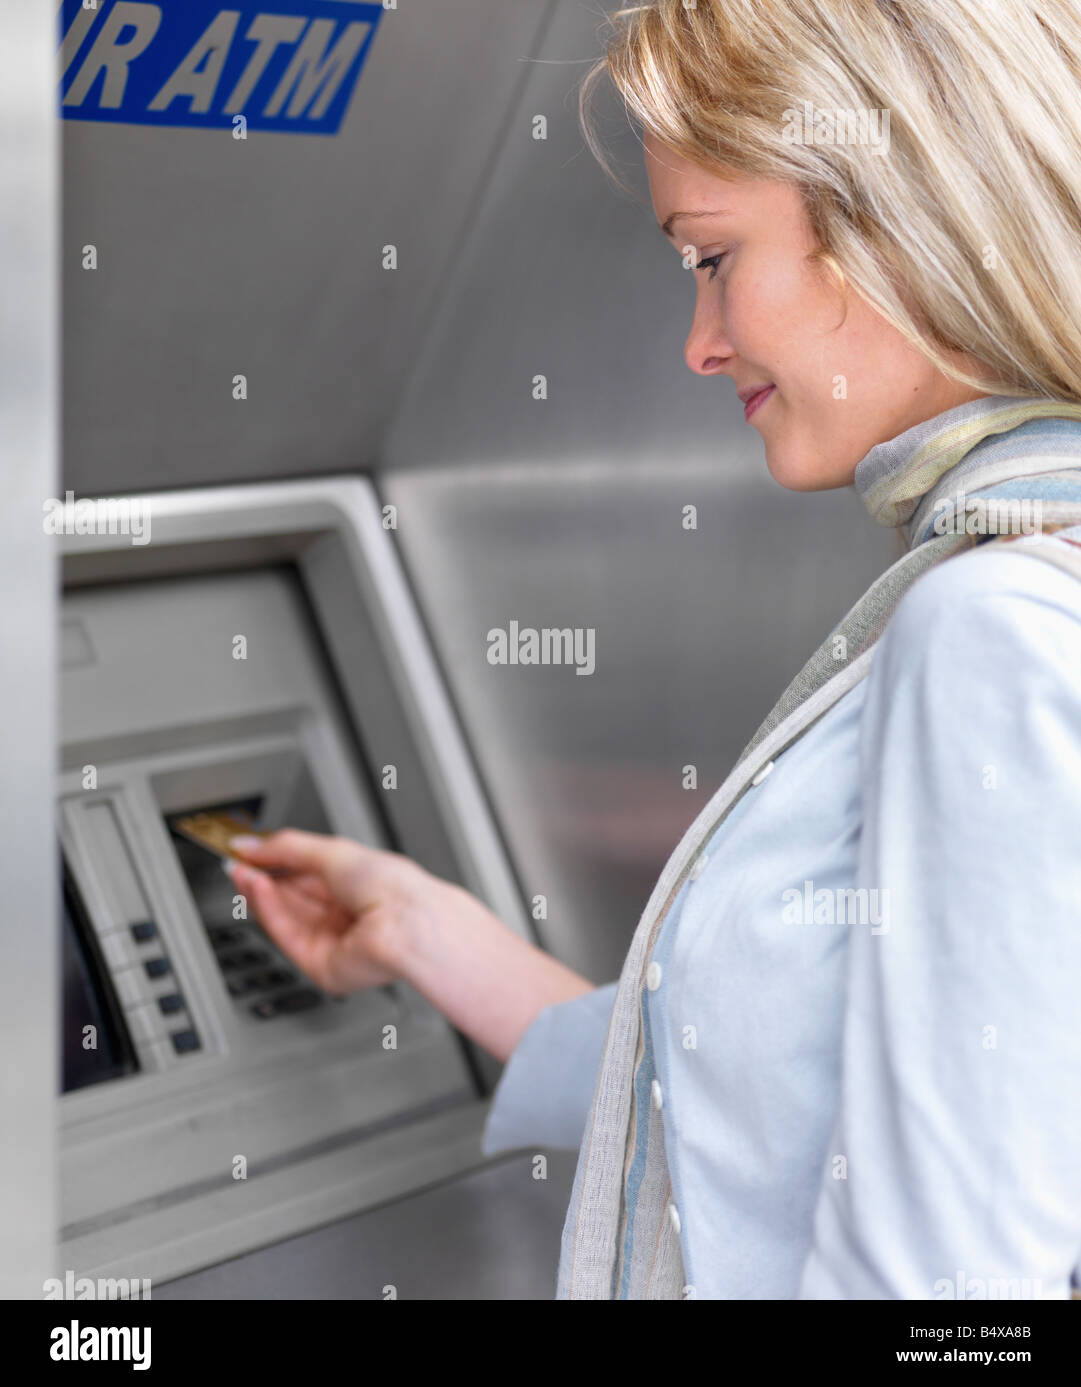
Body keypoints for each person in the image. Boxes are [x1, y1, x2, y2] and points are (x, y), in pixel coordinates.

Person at [225, 0, 1081, 1299]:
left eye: (712, 255)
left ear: (899, 225)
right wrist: (431, 939)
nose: (699, 340)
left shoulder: (991, 628)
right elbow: (825, 1078)